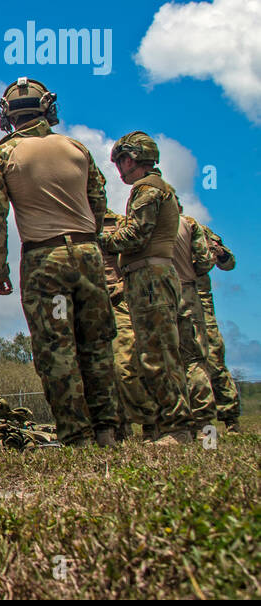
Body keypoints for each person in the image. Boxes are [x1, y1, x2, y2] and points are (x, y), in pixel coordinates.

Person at [0, 80, 118, 447]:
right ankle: (107, 431)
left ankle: (76, 436)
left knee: (57, 348)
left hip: (44, 259)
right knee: (97, 343)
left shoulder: (4, 155)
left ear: (6, 114)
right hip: (89, 254)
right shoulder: (76, 148)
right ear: (47, 109)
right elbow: (99, 202)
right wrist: (90, 239)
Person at [97, 132, 194, 446]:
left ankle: (177, 429)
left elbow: (135, 236)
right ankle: (168, 426)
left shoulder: (148, 189)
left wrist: (100, 240)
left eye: (120, 163)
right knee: (151, 353)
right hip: (146, 276)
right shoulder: (156, 189)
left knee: (158, 354)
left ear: (131, 158)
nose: (120, 170)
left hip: (149, 276)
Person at [99, 209, 158, 441]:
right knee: (101, 370)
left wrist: (125, 286)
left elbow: (142, 256)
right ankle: (118, 428)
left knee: (126, 365)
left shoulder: (121, 223)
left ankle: (150, 420)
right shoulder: (74, 223)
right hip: (90, 303)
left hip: (121, 302)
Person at [171, 209, 217, 434]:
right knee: (194, 358)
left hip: (157, 293)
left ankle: (176, 423)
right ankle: (204, 424)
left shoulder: (142, 221)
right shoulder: (189, 224)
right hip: (188, 292)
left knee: (167, 359)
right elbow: (206, 261)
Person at [196, 224, 241, 432]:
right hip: (169, 298)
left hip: (199, 300)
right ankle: (194, 420)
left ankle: (230, 418)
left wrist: (218, 253)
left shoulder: (198, 228)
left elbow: (228, 262)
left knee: (213, 358)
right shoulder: (156, 226)